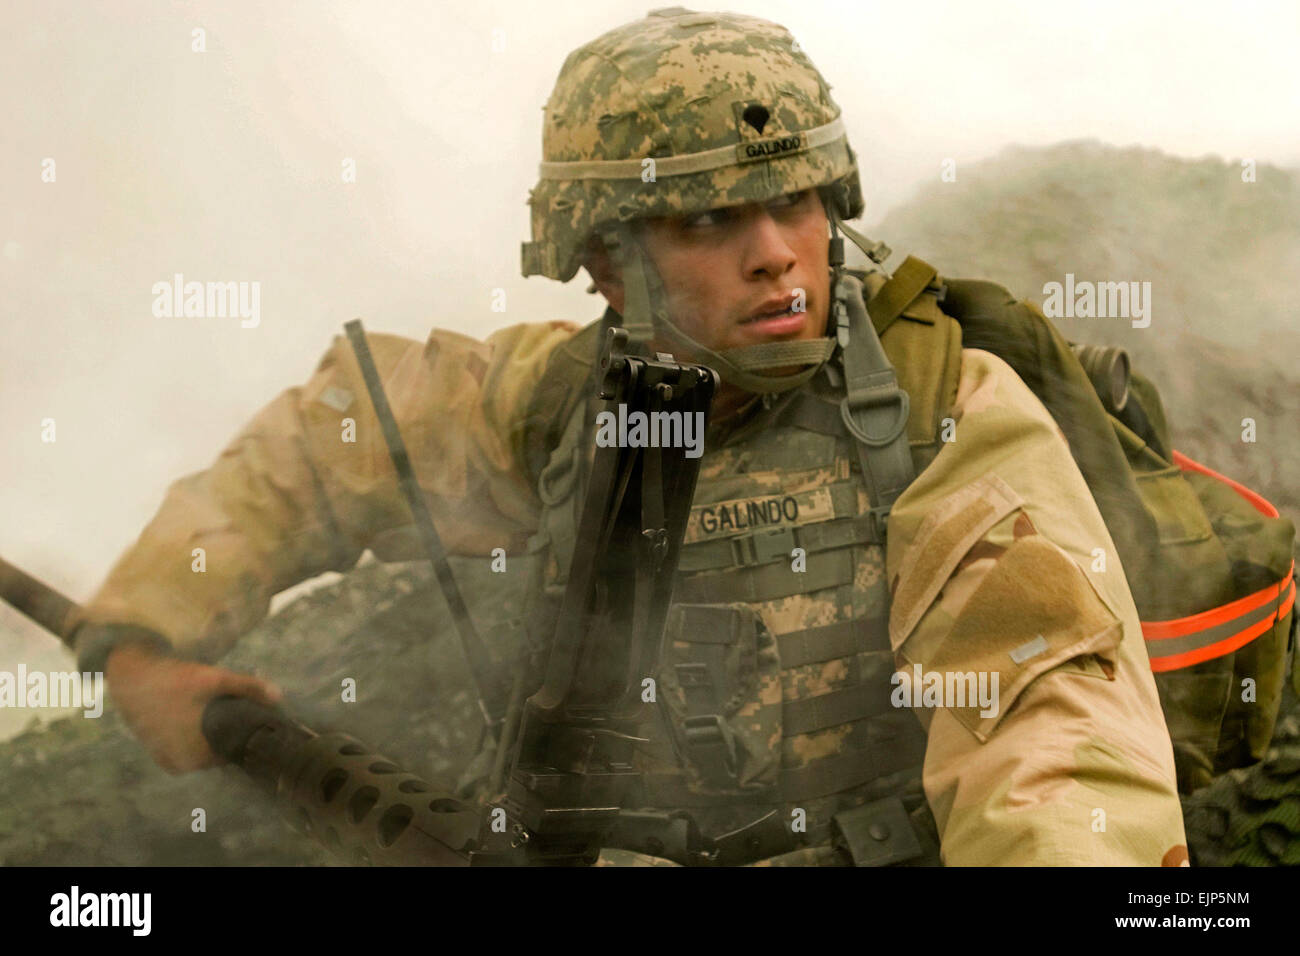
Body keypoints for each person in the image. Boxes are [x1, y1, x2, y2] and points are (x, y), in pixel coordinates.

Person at [70, 7, 1188, 865]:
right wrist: (146, 629)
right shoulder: (560, 397)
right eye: (706, 218)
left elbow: (1053, 728)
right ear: (604, 260)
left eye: (796, 201)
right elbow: (331, 441)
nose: (775, 254)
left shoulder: (948, 409)